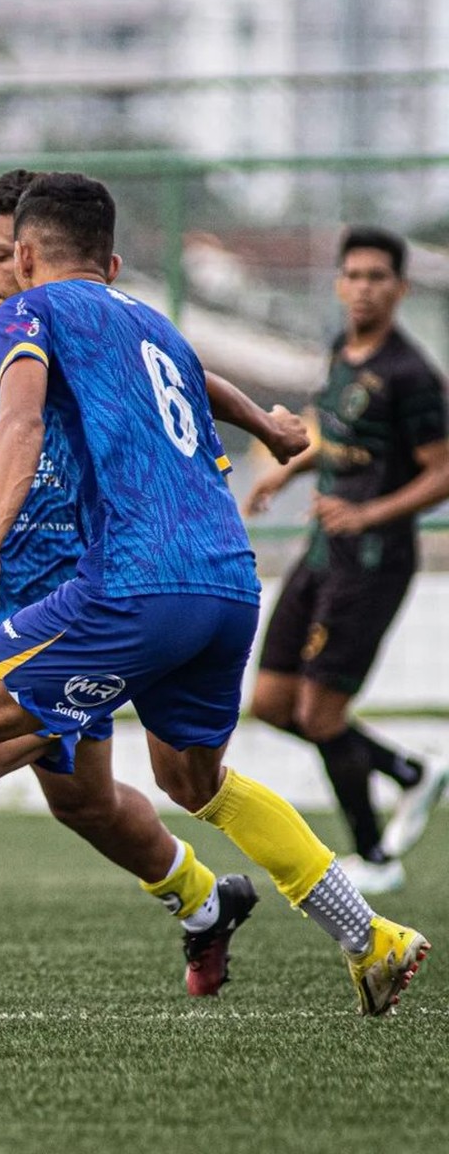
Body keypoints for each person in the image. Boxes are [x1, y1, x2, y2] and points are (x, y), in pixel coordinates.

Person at [0, 171, 428, 1024]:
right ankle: (372, 940)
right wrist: (271, 427)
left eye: (2, 254)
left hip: (130, 587)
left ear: (27, 256)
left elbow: (20, 424)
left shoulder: (26, 314)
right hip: (225, 582)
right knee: (194, 779)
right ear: (108, 260)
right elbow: (204, 385)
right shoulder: (149, 321)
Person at [246, 226, 449, 894]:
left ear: (399, 287)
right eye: (353, 275)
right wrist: (288, 470)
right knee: (272, 701)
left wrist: (367, 513)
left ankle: (375, 856)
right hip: (320, 552)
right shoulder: (342, 349)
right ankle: (408, 771)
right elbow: (334, 440)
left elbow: (441, 473)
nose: (363, 288)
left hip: (372, 559)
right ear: (338, 283)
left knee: (321, 715)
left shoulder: (411, 375)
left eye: (377, 277)